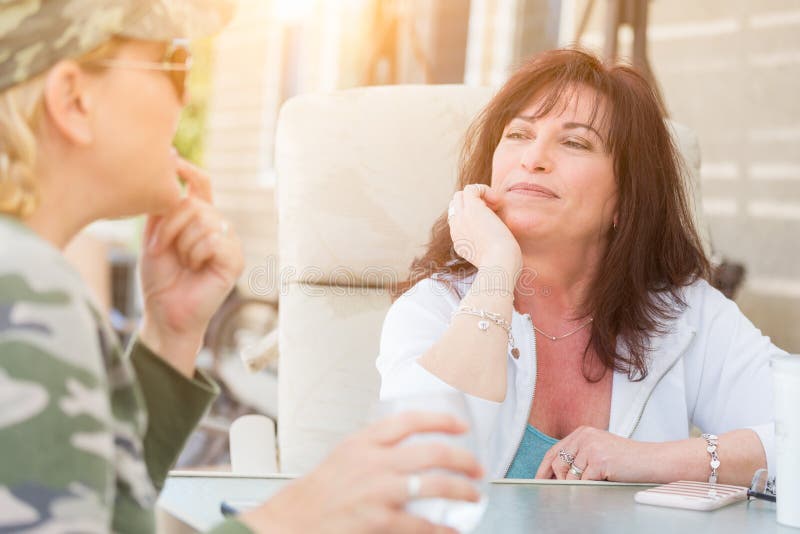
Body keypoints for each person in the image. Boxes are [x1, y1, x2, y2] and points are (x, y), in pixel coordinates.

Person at [0, 2, 482, 533]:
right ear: (73, 101)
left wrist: (169, 334)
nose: (185, 99)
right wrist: (293, 518)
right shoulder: (27, 286)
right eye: (175, 64)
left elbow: (94, 508)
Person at [378, 48, 785, 486]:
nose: (532, 158)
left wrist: (648, 461)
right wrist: (497, 269)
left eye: (575, 142)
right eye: (517, 134)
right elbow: (416, 478)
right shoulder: (433, 308)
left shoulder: (684, 314)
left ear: (625, 199)